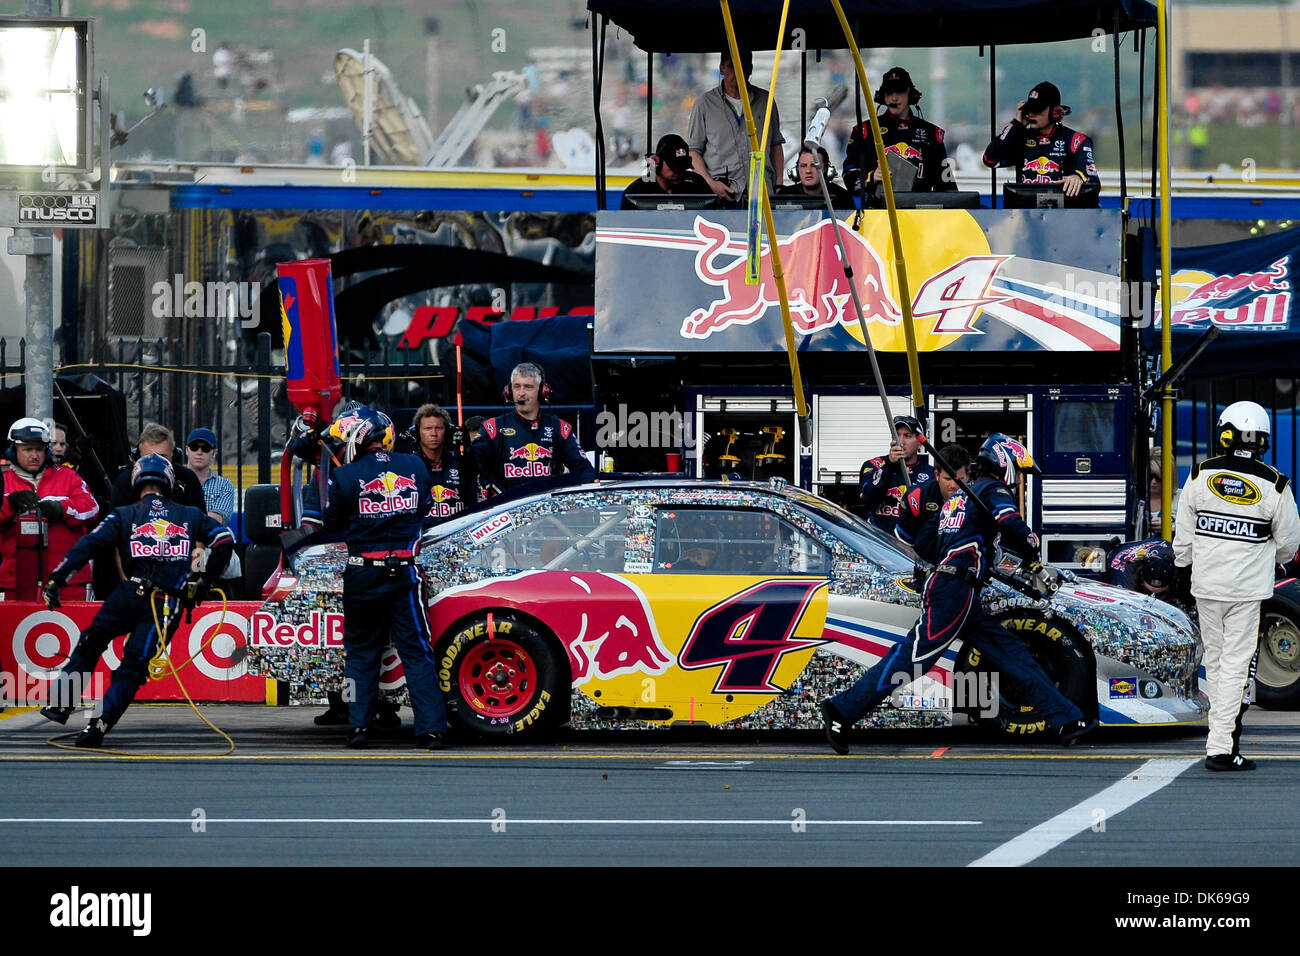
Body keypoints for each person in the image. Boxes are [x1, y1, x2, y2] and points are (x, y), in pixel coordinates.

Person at [821, 433, 1095, 754]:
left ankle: (1066, 720)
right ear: (1005, 462)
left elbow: (928, 544)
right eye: (1018, 472)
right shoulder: (992, 489)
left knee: (1013, 654)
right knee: (912, 661)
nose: (1018, 480)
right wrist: (1030, 543)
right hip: (954, 591)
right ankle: (841, 710)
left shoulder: (959, 500)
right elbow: (1009, 521)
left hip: (957, 591)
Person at [37, 454, 234, 747]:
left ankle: (61, 703)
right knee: (131, 668)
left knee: (91, 642)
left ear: (136, 481)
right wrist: (205, 581)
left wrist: (57, 578)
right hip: (166, 603)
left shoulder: (124, 514)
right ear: (168, 483)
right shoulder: (191, 514)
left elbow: (88, 544)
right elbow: (224, 540)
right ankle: (97, 727)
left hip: (129, 594)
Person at [1173, 401, 1300, 772]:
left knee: (1215, 665)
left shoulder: (1199, 475)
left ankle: (1220, 741)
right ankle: (1221, 748)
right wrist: (1262, 551)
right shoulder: (1275, 484)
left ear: (1224, 433)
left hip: (1207, 585)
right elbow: (1290, 543)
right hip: (1246, 591)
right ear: (1263, 440)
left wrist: (1184, 569)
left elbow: (1182, 538)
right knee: (1235, 667)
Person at [322, 405, 451, 750]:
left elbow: (332, 524)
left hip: (363, 572)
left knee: (361, 651)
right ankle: (432, 729)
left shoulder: (346, 475)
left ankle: (359, 728)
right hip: (406, 571)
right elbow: (424, 509)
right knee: (417, 651)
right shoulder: (414, 464)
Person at [0, 418, 100, 598]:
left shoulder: (68, 476)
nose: (34, 455)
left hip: (67, 581)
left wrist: (61, 509)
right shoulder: (4, 480)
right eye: (27, 449)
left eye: (39, 449)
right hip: (15, 583)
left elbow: (92, 508)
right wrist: (9, 503)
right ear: (14, 450)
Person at [473, 362, 595, 495]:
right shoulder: (493, 428)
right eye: (517, 386)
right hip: (506, 507)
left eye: (528, 387)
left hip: (547, 508)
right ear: (509, 391)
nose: (521, 393)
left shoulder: (559, 427)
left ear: (542, 391)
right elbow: (472, 464)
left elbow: (584, 469)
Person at [687, 48, 784, 206]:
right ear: (721, 69)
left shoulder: (766, 101)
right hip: (721, 194)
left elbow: (775, 144)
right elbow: (693, 151)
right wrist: (710, 183)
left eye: (743, 67)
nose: (738, 72)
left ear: (750, 69)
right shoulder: (704, 104)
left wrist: (779, 184)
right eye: (732, 66)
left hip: (762, 192)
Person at [843, 66, 955, 196]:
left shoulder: (931, 133)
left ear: (911, 94)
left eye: (900, 91)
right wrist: (871, 177)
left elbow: (947, 186)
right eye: (889, 92)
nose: (894, 98)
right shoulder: (865, 131)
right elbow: (849, 176)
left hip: (921, 211)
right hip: (878, 211)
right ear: (882, 96)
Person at [983, 81, 1099, 197]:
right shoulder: (1020, 139)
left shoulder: (1076, 141)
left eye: (1037, 110)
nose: (1031, 114)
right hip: (1027, 213)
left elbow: (1093, 182)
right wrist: (1016, 124)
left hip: (1064, 213)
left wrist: (1078, 178)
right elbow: (990, 160)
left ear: (1055, 112)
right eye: (1029, 109)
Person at [184, 427, 243, 599]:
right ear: (187, 449)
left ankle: (229, 600)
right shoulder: (175, 479)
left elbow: (217, 521)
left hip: (210, 542)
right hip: (180, 541)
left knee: (226, 554)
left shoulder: (224, 485)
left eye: (205, 448)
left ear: (214, 452)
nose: (199, 452)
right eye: (194, 447)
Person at [894, 444, 970, 565]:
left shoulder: (978, 499)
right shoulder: (917, 496)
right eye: (947, 479)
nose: (953, 486)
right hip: (922, 565)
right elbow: (903, 546)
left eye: (959, 480)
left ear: (968, 476)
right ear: (937, 475)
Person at [859, 416, 935, 535]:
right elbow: (868, 496)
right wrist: (889, 464)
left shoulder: (931, 474)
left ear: (920, 443)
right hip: (879, 543)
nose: (901, 441)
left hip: (912, 546)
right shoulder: (875, 465)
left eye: (907, 436)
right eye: (897, 435)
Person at [401, 404, 476, 523]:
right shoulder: (408, 465)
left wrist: (468, 452)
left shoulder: (461, 462)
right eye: (427, 428)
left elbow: (473, 504)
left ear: (447, 431)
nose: (433, 434)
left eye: (439, 428)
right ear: (417, 432)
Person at [620, 133, 711, 209]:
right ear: (656, 162)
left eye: (682, 167)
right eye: (673, 167)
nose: (678, 172)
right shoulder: (636, 192)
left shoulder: (698, 185)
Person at [777, 145, 854, 208]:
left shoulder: (842, 197)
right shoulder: (784, 197)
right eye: (803, 166)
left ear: (826, 170)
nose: (808, 171)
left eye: (814, 166)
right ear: (796, 170)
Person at [1106, 538, 1177, 599]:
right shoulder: (1125, 575)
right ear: (1141, 575)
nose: (1153, 595)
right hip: (1117, 556)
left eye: (1161, 593)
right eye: (1148, 590)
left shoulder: (1178, 557)